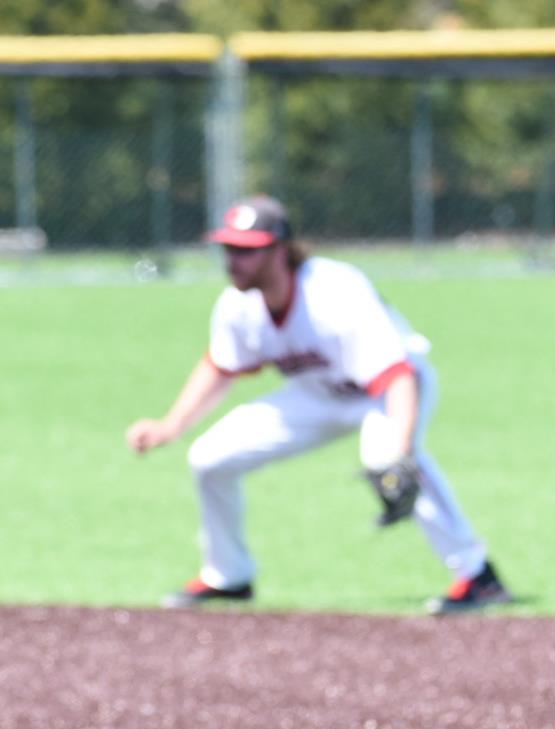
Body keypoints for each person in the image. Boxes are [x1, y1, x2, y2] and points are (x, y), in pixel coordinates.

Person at [124, 195, 510, 615]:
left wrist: (401, 450)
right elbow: (220, 366)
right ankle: (228, 575)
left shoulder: (333, 292)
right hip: (318, 394)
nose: (233, 260)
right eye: (228, 249)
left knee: (390, 461)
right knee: (210, 458)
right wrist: (171, 425)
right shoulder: (238, 305)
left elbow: (395, 375)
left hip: (392, 388)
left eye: (247, 250)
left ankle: (478, 575)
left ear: (280, 250)